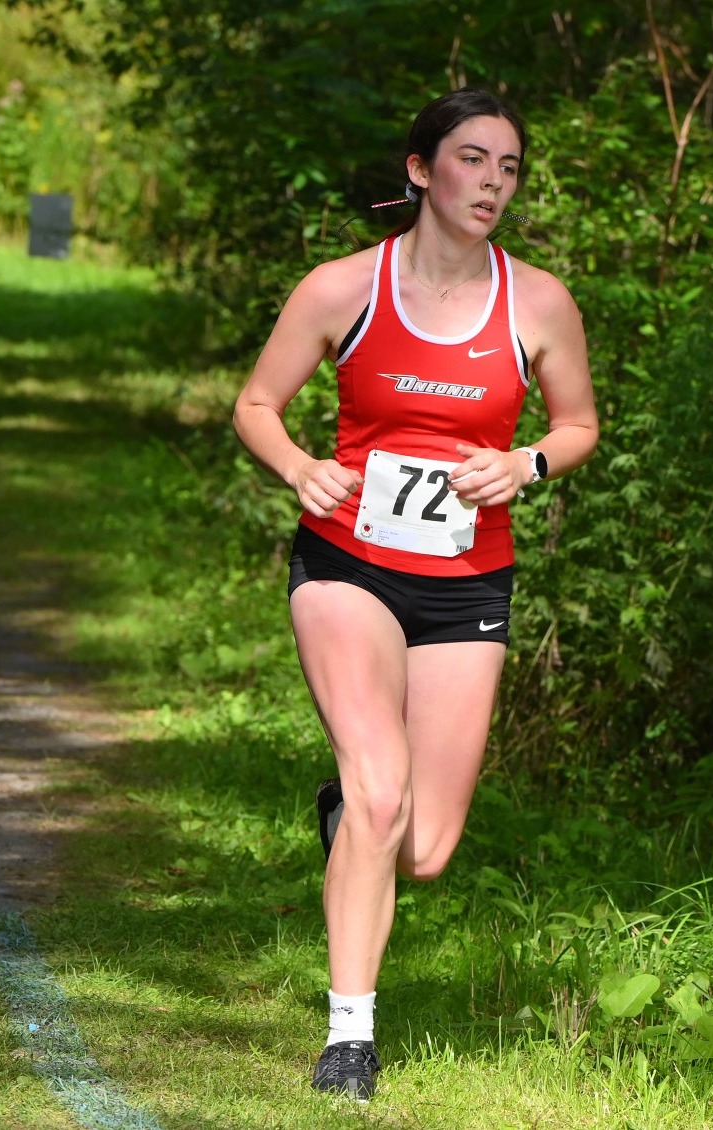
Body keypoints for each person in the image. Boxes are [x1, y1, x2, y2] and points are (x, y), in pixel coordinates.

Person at [232, 88, 598, 1102]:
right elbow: (256, 403)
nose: (492, 182)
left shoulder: (537, 303)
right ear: (420, 169)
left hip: (468, 581)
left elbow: (576, 425)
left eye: (508, 167)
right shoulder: (343, 287)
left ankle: (350, 817)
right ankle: (350, 1040)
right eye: (472, 159)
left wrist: (523, 464)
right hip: (347, 563)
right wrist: (299, 466)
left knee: (425, 848)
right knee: (383, 792)